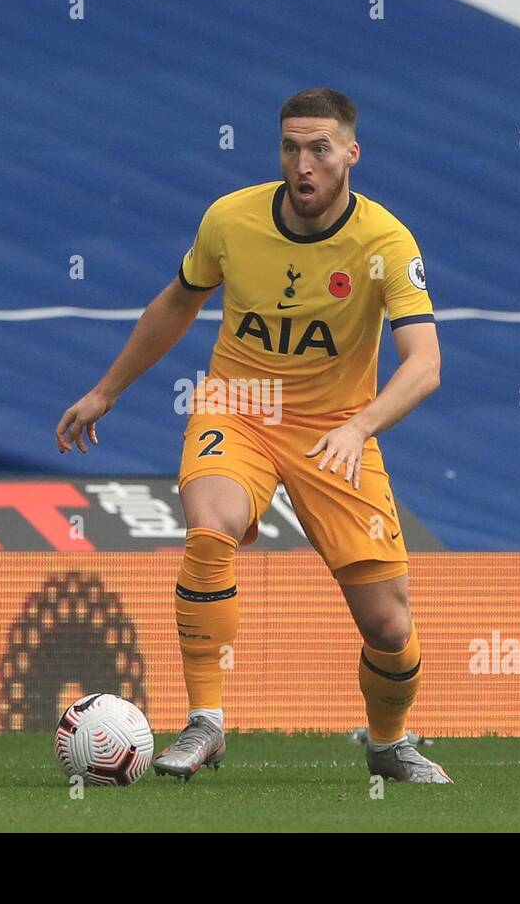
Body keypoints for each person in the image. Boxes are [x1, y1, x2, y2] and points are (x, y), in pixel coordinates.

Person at [55, 87, 450, 784]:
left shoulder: (385, 242)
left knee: (389, 626)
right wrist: (106, 388)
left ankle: (388, 743)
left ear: (351, 154)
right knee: (212, 526)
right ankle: (206, 722)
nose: (303, 164)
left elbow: (426, 364)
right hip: (236, 407)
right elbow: (178, 300)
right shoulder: (230, 219)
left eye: (320, 149)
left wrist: (359, 427)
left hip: (334, 429)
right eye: (291, 148)